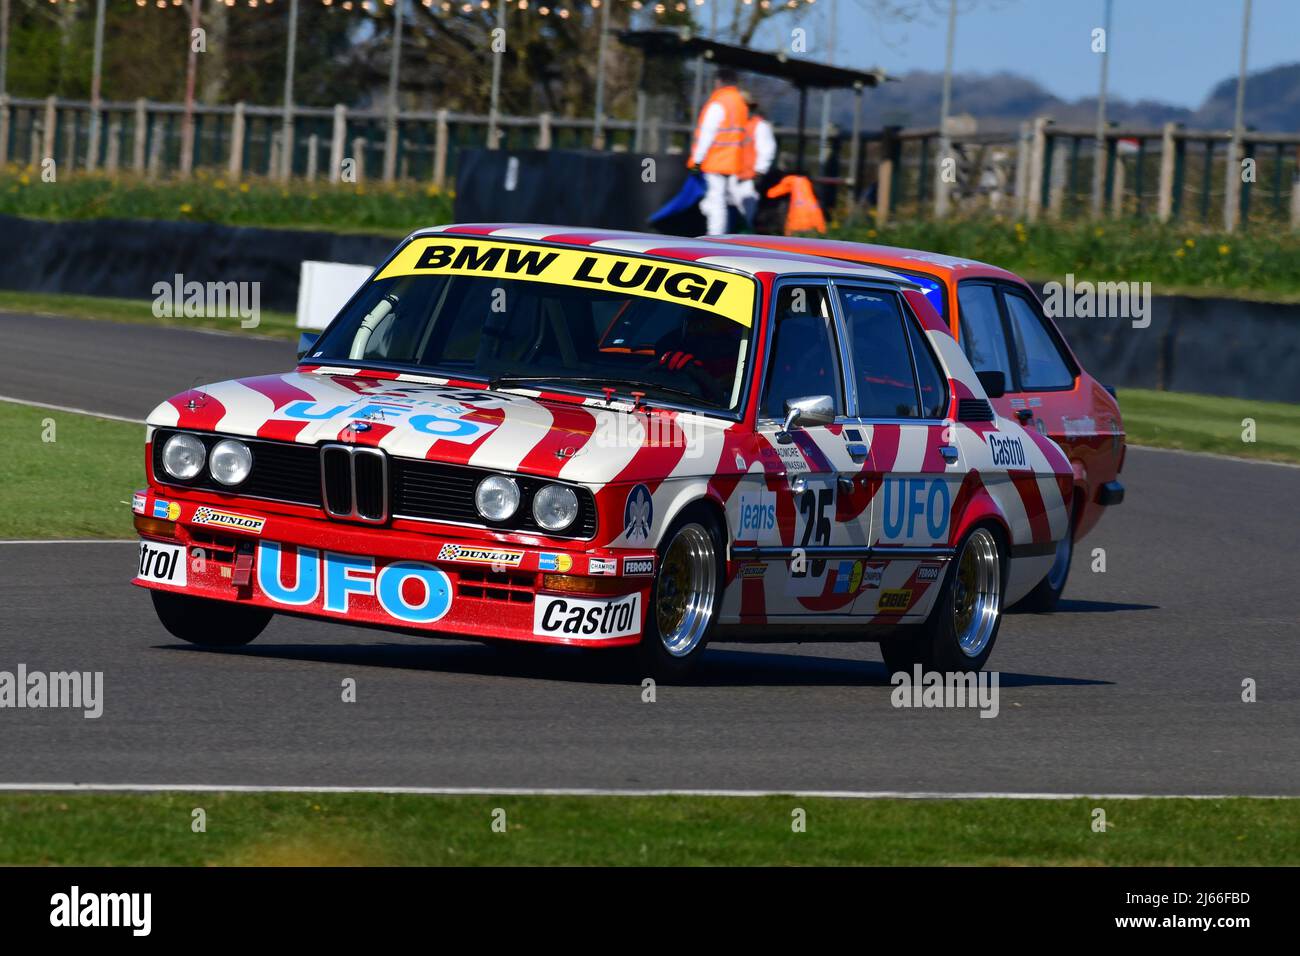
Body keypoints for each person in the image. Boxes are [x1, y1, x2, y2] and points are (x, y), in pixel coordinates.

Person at [686, 68, 749, 235]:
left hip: (716, 161)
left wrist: (697, 161)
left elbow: (707, 134)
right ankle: (732, 234)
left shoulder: (718, 103)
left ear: (718, 82)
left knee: (715, 202)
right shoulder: (740, 103)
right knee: (727, 201)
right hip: (733, 162)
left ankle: (714, 239)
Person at [734, 95, 777, 230]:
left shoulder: (759, 126)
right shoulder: (734, 125)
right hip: (731, 177)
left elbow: (767, 150)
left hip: (749, 180)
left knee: (746, 218)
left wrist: (759, 173)